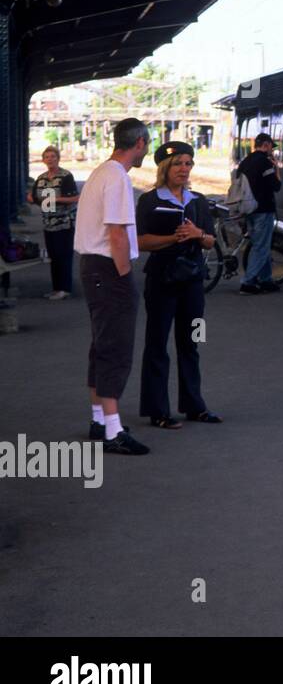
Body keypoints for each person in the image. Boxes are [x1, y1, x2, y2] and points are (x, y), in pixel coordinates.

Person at [74, 118, 151, 455]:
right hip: (108, 270)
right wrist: (124, 275)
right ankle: (113, 431)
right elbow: (117, 233)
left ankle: (98, 420)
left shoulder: (100, 172)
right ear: (140, 143)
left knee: (101, 344)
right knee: (116, 349)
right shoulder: (118, 178)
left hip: (92, 267)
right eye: (147, 145)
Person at [136, 141, 222, 429]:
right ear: (164, 168)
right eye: (178, 164)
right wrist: (175, 238)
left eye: (188, 163)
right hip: (162, 279)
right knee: (157, 343)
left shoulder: (197, 200)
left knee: (192, 342)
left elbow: (211, 240)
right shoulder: (149, 201)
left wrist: (197, 233)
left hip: (192, 281)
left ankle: (194, 405)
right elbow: (140, 241)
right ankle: (157, 410)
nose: (184, 169)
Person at [27, 145, 79, 300]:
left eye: (53, 156)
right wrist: (32, 199)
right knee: (54, 256)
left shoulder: (66, 176)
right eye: (47, 157)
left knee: (64, 255)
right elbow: (34, 196)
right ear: (43, 160)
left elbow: (75, 198)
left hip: (64, 223)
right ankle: (56, 288)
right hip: (48, 223)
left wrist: (55, 199)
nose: (50, 159)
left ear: (58, 158)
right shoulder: (41, 178)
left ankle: (65, 288)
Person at [236, 132, 282, 296]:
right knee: (261, 247)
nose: (272, 151)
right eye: (271, 147)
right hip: (263, 210)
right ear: (267, 145)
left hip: (249, 210)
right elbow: (276, 186)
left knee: (261, 245)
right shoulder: (265, 163)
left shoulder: (245, 161)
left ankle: (266, 280)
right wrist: (277, 169)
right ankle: (247, 283)